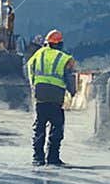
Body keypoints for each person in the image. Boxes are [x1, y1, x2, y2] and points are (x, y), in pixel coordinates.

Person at [26, 29, 77, 166]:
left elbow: (29, 67)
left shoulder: (38, 54)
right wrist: (72, 91)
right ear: (60, 44)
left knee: (39, 126)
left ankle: (38, 157)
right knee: (57, 126)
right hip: (56, 95)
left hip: (40, 94)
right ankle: (53, 158)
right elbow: (69, 77)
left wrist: (33, 84)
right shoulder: (65, 58)